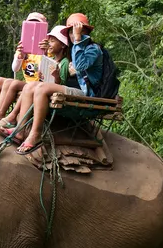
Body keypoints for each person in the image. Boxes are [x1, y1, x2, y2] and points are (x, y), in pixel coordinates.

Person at [16, 13, 102, 155]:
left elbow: (80, 66)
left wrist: (78, 38)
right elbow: (62, 60)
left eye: (76, 30)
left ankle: (35, 134)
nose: (73, 34)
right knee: (31, 85)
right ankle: (20, 130)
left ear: (85, 31)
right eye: (70, 31)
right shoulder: (74, 49)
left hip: (86, 93)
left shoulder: (93, 48)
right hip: (72, 88)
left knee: (41, 88)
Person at [0, 24, 71, 131]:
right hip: (40, 86)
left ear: (63, 45)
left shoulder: (64, 62)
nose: (49, 44)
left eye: (52, 41)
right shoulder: (51, 59)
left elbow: (61, 85)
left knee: (16, 84)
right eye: (49, 41)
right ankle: (1, 114)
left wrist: (55, 76)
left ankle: (7, 116)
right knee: (12, 83)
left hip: (45, 90)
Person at [0, 12, 49, 123]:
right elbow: (15, 69)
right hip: (27, 83)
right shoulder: (23, 47)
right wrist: (20, 56)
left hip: (38, 85)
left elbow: (46, 73)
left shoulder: (47, 47)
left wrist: (45, 52)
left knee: (13, 83)